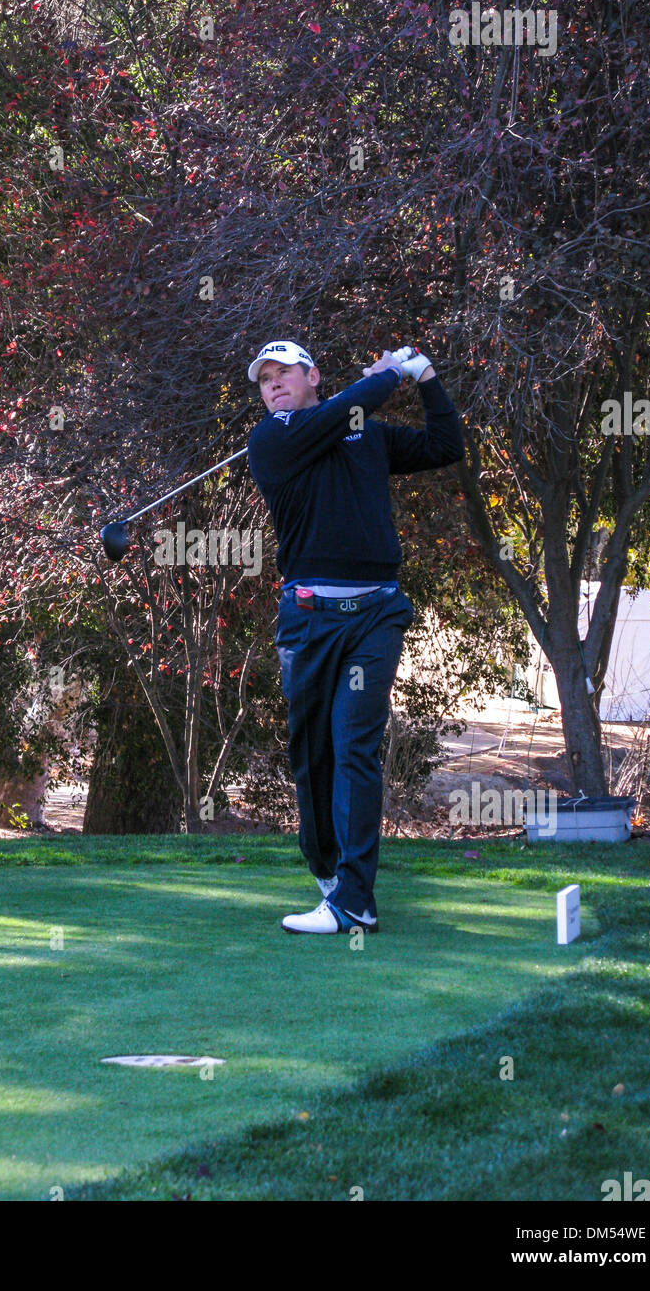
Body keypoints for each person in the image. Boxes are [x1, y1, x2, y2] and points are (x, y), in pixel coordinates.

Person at [245, 339, 465, 934]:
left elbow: (447, 445)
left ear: (312, 374)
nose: (272, 385)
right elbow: (345, 409)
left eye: (282, 373)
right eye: (263, 380)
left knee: (355, 746)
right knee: (313, 752)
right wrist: (388, 373)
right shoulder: (272, 438)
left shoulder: (363, 430)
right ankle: (326, 867)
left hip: (376, 614)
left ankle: (354, 900)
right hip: (309, 620)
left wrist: (427, 379)